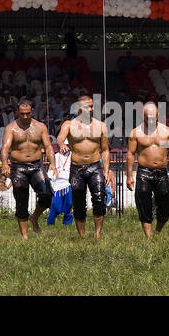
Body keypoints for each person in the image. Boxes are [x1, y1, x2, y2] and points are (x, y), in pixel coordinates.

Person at [0, 99, 54, 239]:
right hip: (18, 166)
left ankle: (34, 217)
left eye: (27, 113)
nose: (25, 116)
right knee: (21, 200)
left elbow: (48, 146)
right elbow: (5, 147)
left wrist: (52, 163)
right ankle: (25, 236)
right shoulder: (11, 128)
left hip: (37, 165)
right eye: (22, 113)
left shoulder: (40, 127)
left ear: (32, 112)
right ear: (17, 112)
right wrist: (5, 164)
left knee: (47, 195)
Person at [59, 95, 110, 238]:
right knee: (79, 202)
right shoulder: (69, 124)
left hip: (95, 166)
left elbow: (105, 150)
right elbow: (60, 138)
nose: (91, 109)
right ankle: (81, 236)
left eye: (92, 106)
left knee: (99, 198)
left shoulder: (100, 125)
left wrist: (106, 170)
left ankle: (98, 234)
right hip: (77, 168)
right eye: (87, 106)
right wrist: (62, 144)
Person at [126, 102, 169, 237]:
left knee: (165, 205)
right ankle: (149, 237)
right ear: (143, 116)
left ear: (158, 115)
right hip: (144, 172)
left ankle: (158, 231)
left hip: (161, 172)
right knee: (143, 203)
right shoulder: (136, 132)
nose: (151, 120)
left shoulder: (166, 131)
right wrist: (129, 176)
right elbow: (131, 154)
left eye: (153, 117)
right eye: (148, 117)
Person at [45, 141, 73, 226]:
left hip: (68, 184)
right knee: (54, 205)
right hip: (57, 184)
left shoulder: (72, 156)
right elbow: (51, 168)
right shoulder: (55, 156)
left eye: (68, 145)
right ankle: (50, 223)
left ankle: (67, 224)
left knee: (69, 205)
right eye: (65, 145)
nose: (66, 147)